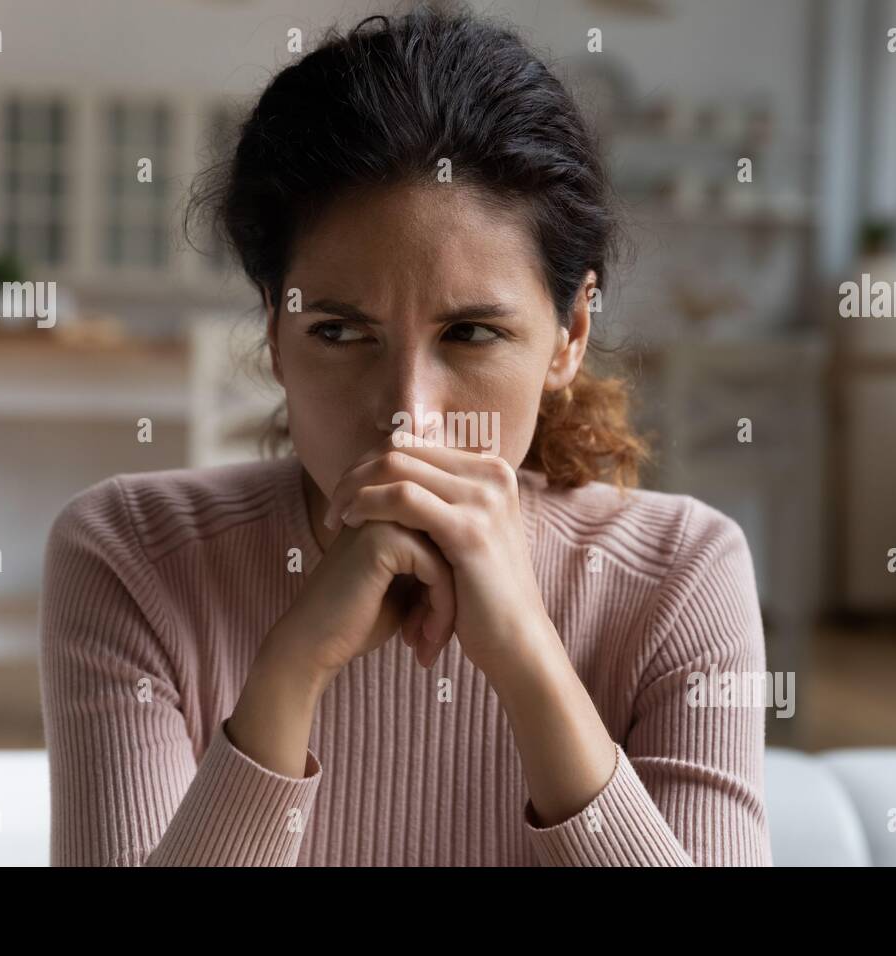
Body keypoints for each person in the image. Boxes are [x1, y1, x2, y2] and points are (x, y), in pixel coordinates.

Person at [39, 6, 773, 866]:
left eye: (469, 334)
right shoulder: (132, 559)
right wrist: (289, 674)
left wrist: (531, 663)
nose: (408, 417)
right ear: (276, 333)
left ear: (570, 334)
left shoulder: (682, 578)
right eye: (343, 334)